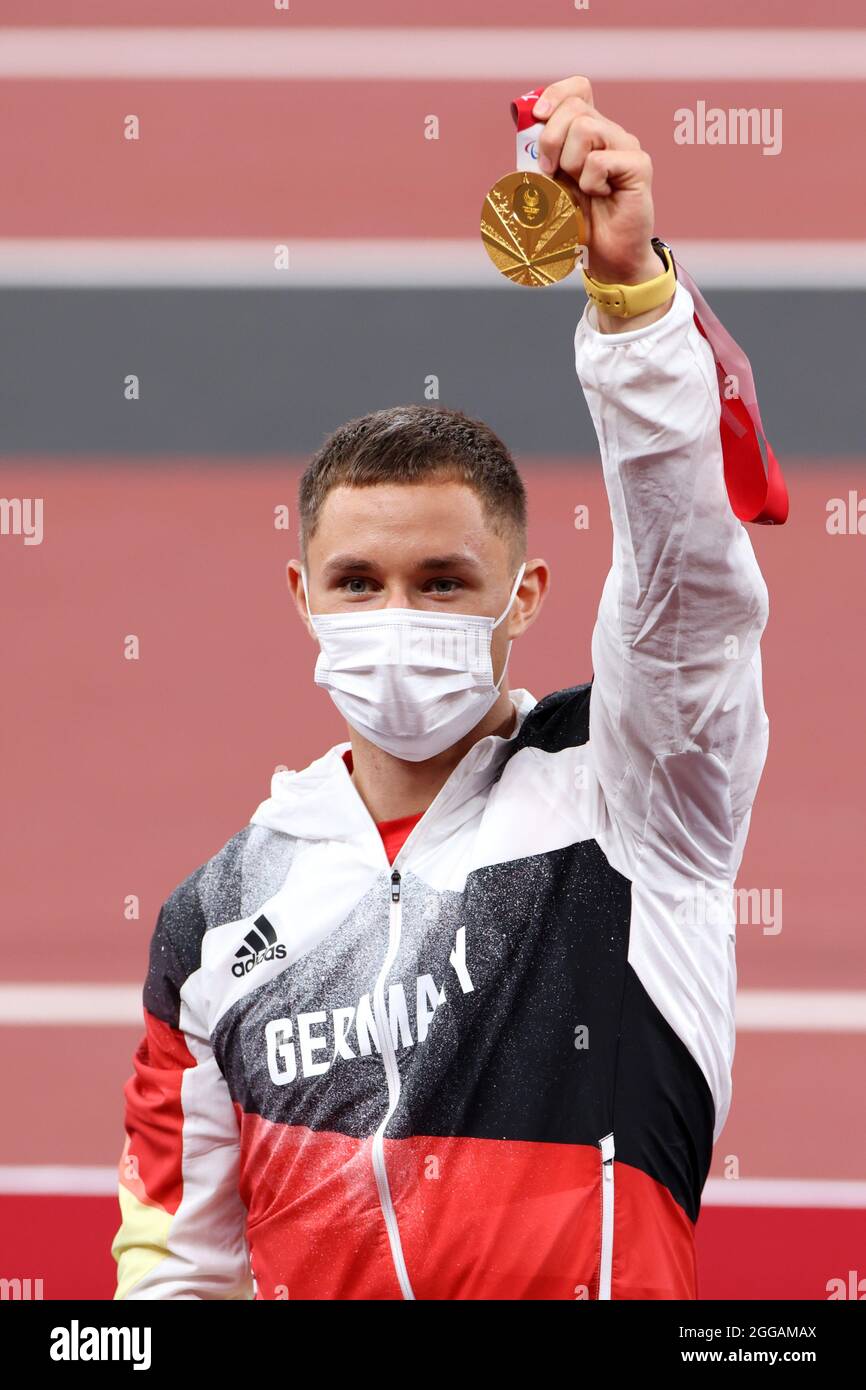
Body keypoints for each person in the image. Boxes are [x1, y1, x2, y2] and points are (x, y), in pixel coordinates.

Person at [111, 75, 769, 1300]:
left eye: (442, 579)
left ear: (521, 599)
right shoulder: (214, 920)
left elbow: (690, 587)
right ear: (300, 597)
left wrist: (629, 306)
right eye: (356, 582)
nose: (395, 615)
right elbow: (173, 1267)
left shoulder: (632, 792)